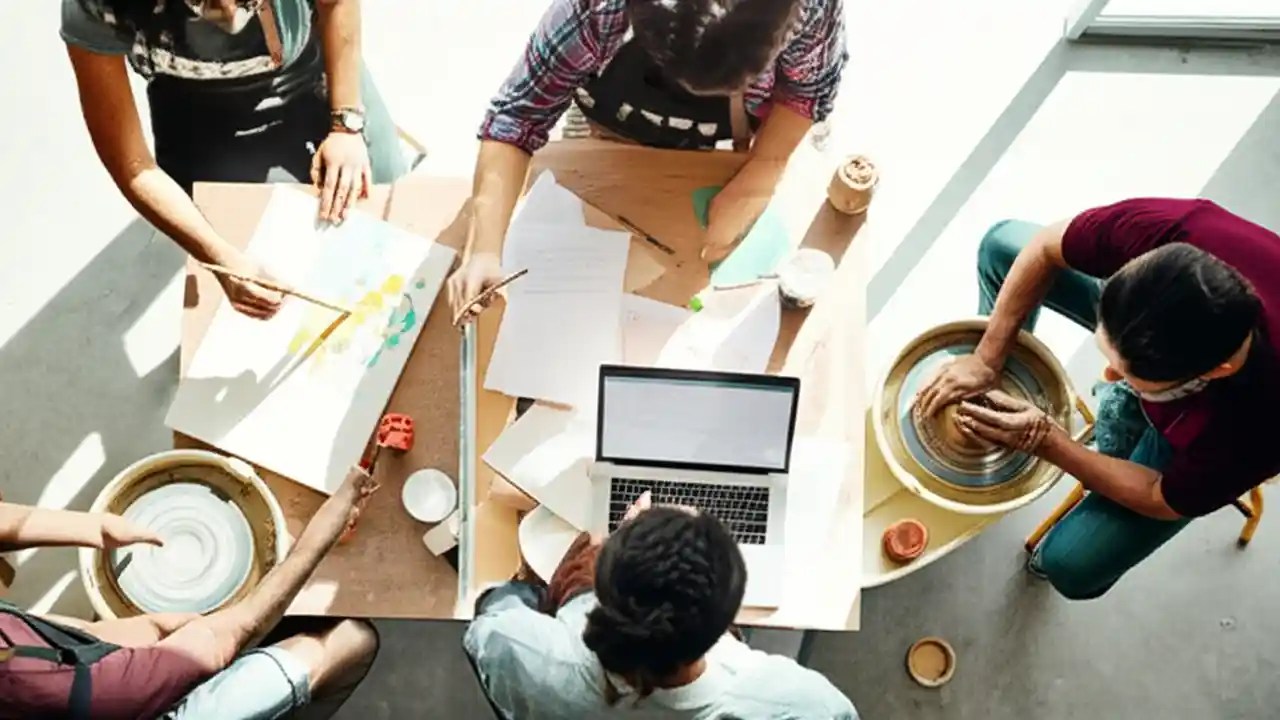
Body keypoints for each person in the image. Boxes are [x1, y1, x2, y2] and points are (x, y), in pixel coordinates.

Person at [915, 198, 1280, 601]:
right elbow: (1046, 246)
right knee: (1005, 245)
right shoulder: (1177, 233)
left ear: (1215, 371)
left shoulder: (1259, 427)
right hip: (1167, 327)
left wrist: (1047, 441)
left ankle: (1053, 560)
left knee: (1072, 566)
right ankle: (993, 369)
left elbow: (1160, 497)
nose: (1107, 377)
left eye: (1127, 376)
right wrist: (988, 357)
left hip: (1225, 426)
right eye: (1108, 358)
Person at [448, 0, 848, 322]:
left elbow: (804, 92)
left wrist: (761, 174)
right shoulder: (598, 8)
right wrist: (483, 249)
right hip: (609, 134)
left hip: (730, 147)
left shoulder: (812, 8)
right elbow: (519, 116)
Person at [61, 0, 408, 320]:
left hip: (312, 67)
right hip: (200, 112)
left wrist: (346, 124)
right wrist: (220, 258)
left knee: (390, 215)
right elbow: (133, 164)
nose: (229, 13)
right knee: (263, 268)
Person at [2, 466, 380, 719]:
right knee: (352, 640)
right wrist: (331, 520)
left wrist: (94, 526)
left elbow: (93, 641)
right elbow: (238, 628)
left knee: (169, 633)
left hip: (64, 678)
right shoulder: (66, 689)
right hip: (102, 703)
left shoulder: (17, 654)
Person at [464, 492, 857, 718]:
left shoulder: (519, 650)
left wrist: (575, 590)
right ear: (725, 626)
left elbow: (489, 615)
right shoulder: (797, 703)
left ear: (603, 588)